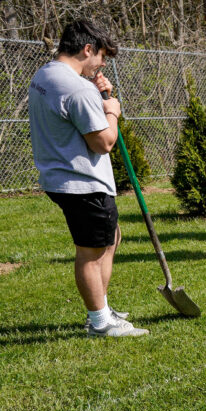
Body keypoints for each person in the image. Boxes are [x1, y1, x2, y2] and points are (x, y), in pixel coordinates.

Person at [28, 18, 149, 337]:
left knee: (110, 238)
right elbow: (104, 142)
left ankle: (102, 307)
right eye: (102, 57)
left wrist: (97, 94)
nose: (102, 64)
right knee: (91, 251)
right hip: (82, 181)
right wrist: (112, 110)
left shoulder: (46, 74)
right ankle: (99, 322)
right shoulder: (77, 89)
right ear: (87, 49)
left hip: (62, 176)